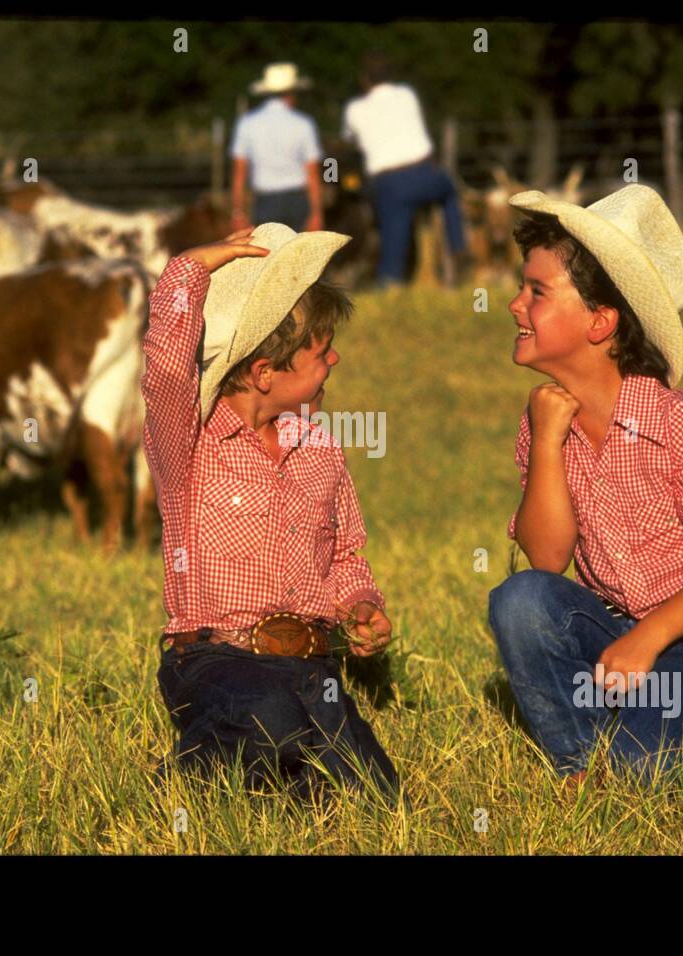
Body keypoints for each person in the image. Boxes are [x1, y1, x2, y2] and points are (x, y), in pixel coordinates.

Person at [487, 184, 683, 790]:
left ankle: (636, 745)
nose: (513, 305)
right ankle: (577, 760)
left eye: (536, 291)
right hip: (610, 627)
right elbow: (548, 557)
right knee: (520, 599)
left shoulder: (681, 425)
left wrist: (651, 638)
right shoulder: (541, 423)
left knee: (650, 774)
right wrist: (546, 444)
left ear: (600, 321)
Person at [142, 223, 398, 800]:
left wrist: (360, 603)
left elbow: (342, 556)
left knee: (375, 792)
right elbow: (164, 374)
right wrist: (188, 269)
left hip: (311, 668)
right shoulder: (190, 446)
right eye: (320, 349)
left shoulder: (320, 449)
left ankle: (265, 793)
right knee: (269, 716)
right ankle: (178, 786)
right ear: (264, 373)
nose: (335, 357)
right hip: (214, 659)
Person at [341, 52, 467, 286]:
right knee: (450, 193)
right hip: (428, 173)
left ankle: (390, 280)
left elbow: (349, 142)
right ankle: (458, 246)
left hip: (392, 183)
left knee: (392, 239)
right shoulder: (407, 95)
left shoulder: (354, 109)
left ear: (364, 80)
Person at [230, 64, 324, 235]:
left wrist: (238, 211)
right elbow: (312, 173)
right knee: (302, 257)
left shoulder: (247, 124)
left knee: (270, 256)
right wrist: (316, 212)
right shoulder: (303, 124)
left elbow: (239, 173)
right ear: (290, 93)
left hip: (266, 201)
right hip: (297, 200)